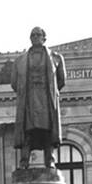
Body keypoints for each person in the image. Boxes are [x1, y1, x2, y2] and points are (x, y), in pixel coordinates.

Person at [11, 26, 67, 169]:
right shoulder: (20, 61)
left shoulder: (56, 58)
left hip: (46, 100)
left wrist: (50, 91)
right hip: (28, 101)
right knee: (28, 132)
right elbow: (14, 83)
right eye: (32, 35)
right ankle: (24, 162)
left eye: (38, 35)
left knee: (48, 131)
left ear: (44, 38)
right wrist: (26, 92)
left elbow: (62, 80)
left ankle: (50, 161)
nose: (35, 37)